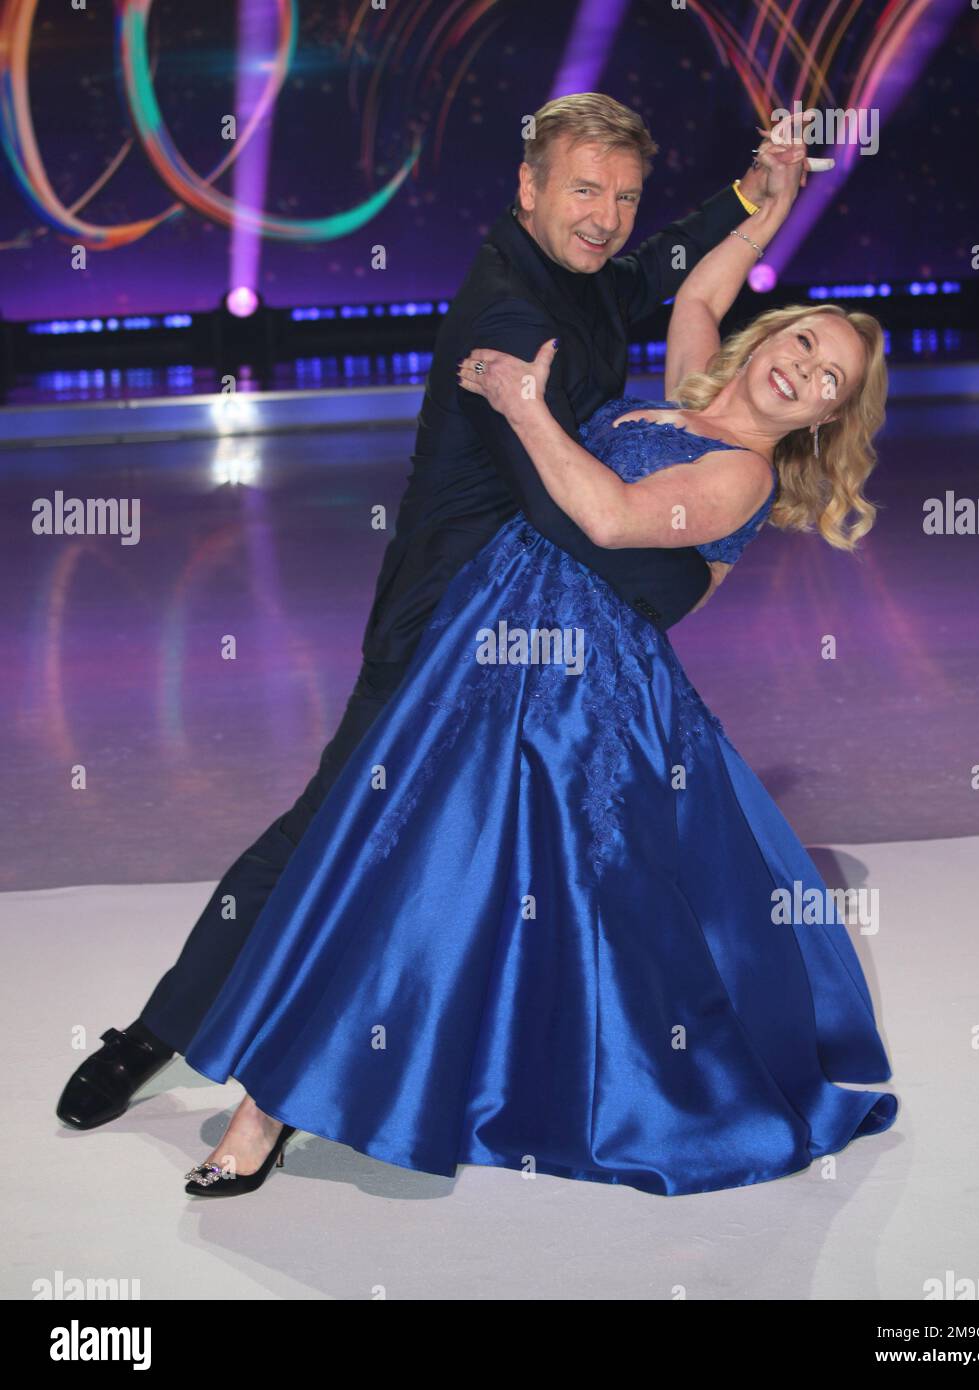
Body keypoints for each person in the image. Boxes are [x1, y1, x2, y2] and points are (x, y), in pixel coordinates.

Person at [57, 93, 803, 1133]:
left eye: (624, 195)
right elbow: (569, 513)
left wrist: (745, 198)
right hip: (450, 623)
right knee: (332, 831)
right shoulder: (510, 313)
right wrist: (695, 570)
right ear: (528, 187)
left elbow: (645, 278)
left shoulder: (563, 270)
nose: (606, 216)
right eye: (584, 190)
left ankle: (496, 1062)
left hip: (529, 624)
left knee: (486, 856)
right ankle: (158, 1032)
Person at [179, 145, 898, 1199]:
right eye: (801, 338)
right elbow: (700, 286)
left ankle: (281, 1106)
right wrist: (765, 205)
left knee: (427, 872)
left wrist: (526, 407)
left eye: (826, 376)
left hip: (573, 687)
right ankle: (296, 1093)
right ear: (769, 335)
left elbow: (607, 516)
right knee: (387, 855)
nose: (800, 367)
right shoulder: (692, 391)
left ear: (828, 415)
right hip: (490, 629)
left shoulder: (742, 475)